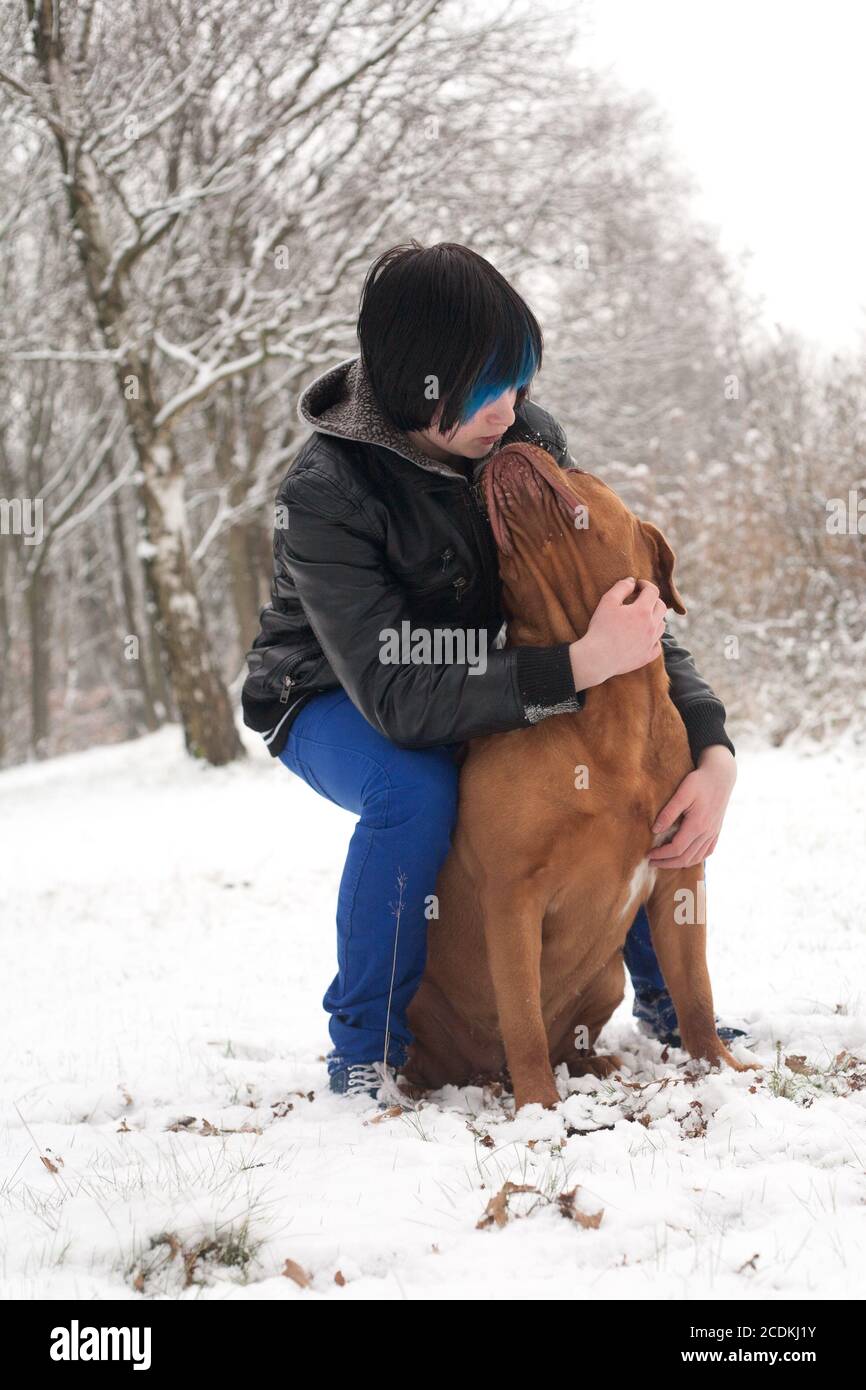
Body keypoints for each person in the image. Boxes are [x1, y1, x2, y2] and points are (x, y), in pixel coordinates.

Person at [242, 240, 746, 1100]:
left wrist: (710, 744)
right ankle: (367, 1047)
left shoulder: (521, 438)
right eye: (486, 390)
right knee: (419, 792)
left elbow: (619, 605)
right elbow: (398, 696)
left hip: (514, 666)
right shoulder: (326, 493)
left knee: (623, 766)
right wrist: (578, 665)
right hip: (334, 693)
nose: (510, 413)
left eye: (519, 383)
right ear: (416, 383)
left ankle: (668, 1006)